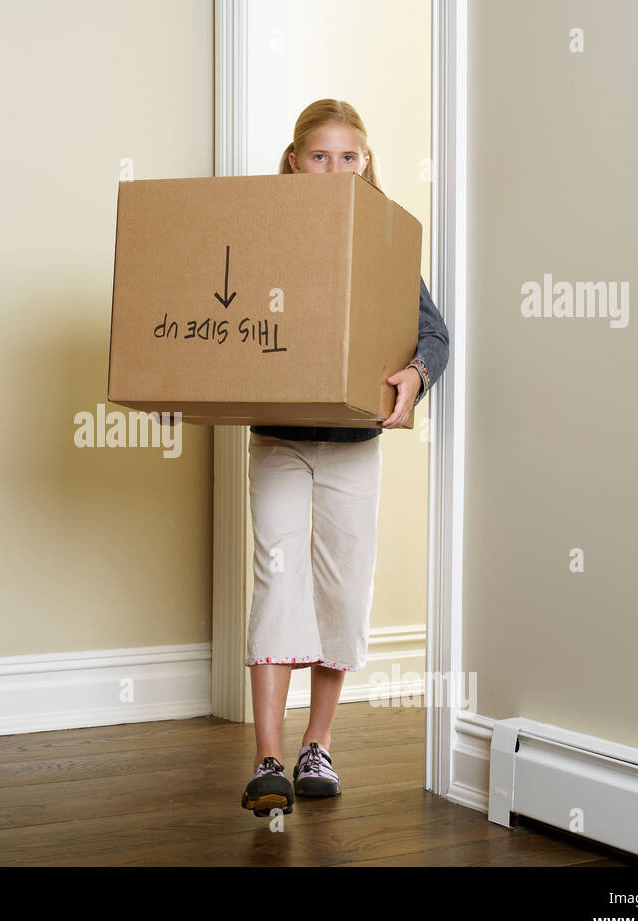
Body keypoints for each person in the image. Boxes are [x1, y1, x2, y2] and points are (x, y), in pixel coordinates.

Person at [238, 99, 451, 816]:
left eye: (348, 156)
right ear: (294, 161)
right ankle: (267, 759)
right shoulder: (259, 233)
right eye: (320, 155)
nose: (335, 167)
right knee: (276, 576)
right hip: (279, 438)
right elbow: (221, 320)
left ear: (366, 165)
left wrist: (417, 372)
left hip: (355, 446)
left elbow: (433, 332)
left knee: (342, 588)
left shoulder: (381, 243)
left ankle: (315, 745)